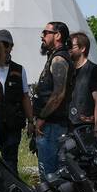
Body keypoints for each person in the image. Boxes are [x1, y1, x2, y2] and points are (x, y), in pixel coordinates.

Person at [31, 21, 74, 178]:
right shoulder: (53, 57)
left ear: (58, 35)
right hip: (50, 125)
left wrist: (42, 118)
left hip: (52, 126)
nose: (42, 36)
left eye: (45, 32)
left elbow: (58, 94)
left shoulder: (59, 60)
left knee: (49, 174)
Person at [0, 29, 33, 172]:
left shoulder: (19, 70)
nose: (3, 47)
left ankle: (13, 191)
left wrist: (31, 121)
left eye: (6, 44)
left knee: (10, 162)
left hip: (12, 124)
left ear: (11, 47)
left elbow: (25, 97)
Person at [67, 31, 97, 138]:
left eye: (72, 46)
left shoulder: (94, 70)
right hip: (66, 125)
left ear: (82, 48)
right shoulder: (67, 70)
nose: (69, 49)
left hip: (83, 127)